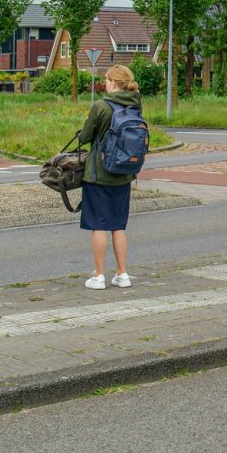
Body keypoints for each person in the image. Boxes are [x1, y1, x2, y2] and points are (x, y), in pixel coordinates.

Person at [78, 64, 141, 289]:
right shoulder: (135, 104)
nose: (104, 83)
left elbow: (85, 137)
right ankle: (123, 274)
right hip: (124, 173)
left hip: (99, 174)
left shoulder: (101, 106)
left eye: (106, 79)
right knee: (118, 226)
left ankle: (98, 276)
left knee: (98, 225)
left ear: (114, 82)